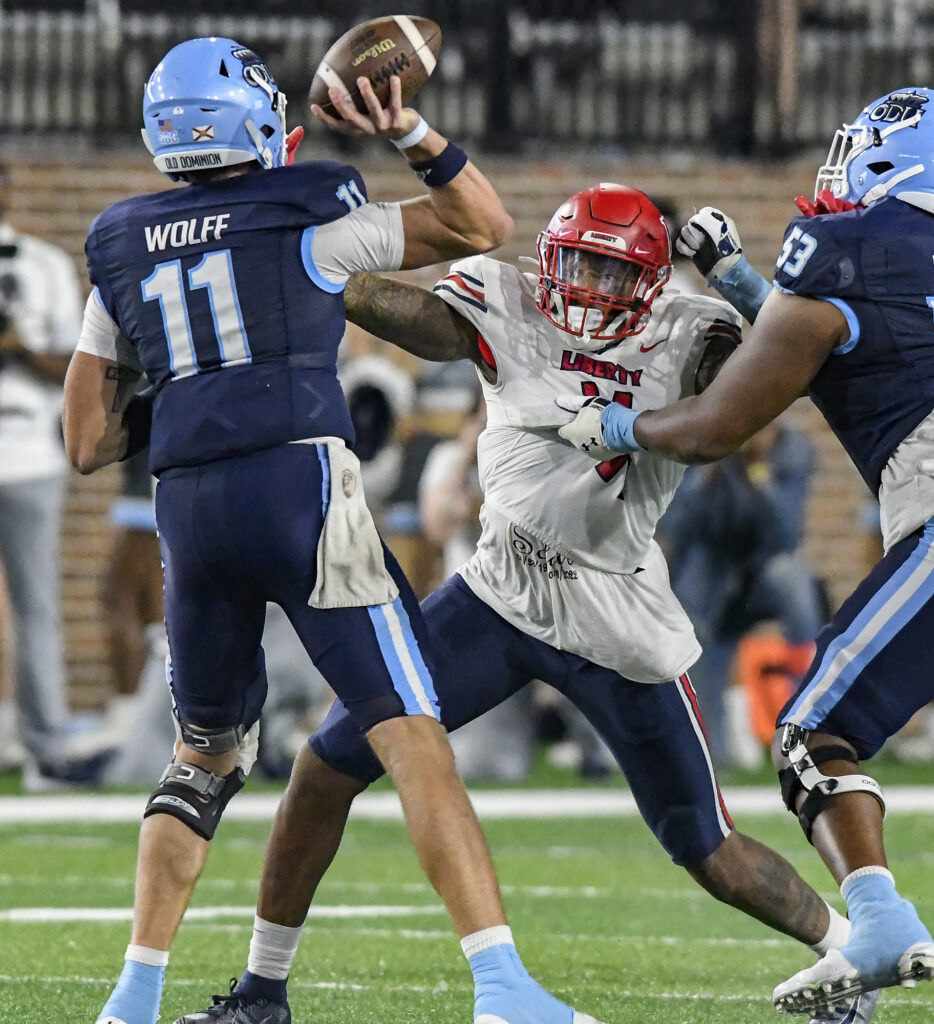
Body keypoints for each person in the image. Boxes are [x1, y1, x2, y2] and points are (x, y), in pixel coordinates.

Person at [175, 183, 877, 1024]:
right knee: (326, 768)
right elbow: (392, 307)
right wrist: (303, 258)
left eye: (614, 273)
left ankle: (848, 953)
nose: (589, 288)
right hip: (498, 589)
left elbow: (791, 380)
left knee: (706, 845)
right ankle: (261, 991)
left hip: (614, 615)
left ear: (655, 282)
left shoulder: (690, 334)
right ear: (549, 257)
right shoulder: (504, 301)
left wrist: (738, 280)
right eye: (577, 263)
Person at [62, 36, 602, 1024]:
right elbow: (482, 222)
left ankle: (132, 997)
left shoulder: (118, 237)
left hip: (190, 505)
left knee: (204, 755)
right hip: (300, 486)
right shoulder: (307, 205)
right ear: (258, 124)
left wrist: (192, 383)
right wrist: (408, 129)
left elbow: (87, 440)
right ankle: (502, 988)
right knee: (411, 730)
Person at [557, 86, 934, 1014]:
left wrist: (611, 422)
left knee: (818, 733)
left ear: (892, 161)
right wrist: (737, 279)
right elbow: (851, 350)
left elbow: (713, 427)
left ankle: (880, 921)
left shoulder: (843, 251)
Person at [658, 419, 822, 765]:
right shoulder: (706, 440)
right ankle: (710, 745)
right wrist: (711, 470)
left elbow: (785, 533)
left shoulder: (794, 449)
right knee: (696, 627)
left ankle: (810, 729)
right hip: (714, 554)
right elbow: (680, 525)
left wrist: (758, 469)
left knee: (799, 595)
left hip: (768, 558)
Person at [0, 160, 88, 787]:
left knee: (37, 604)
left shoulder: (45, 267)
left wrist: (17, 348)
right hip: (28, 454)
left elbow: (76, 368)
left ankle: (48, 743)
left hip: (29, 450)